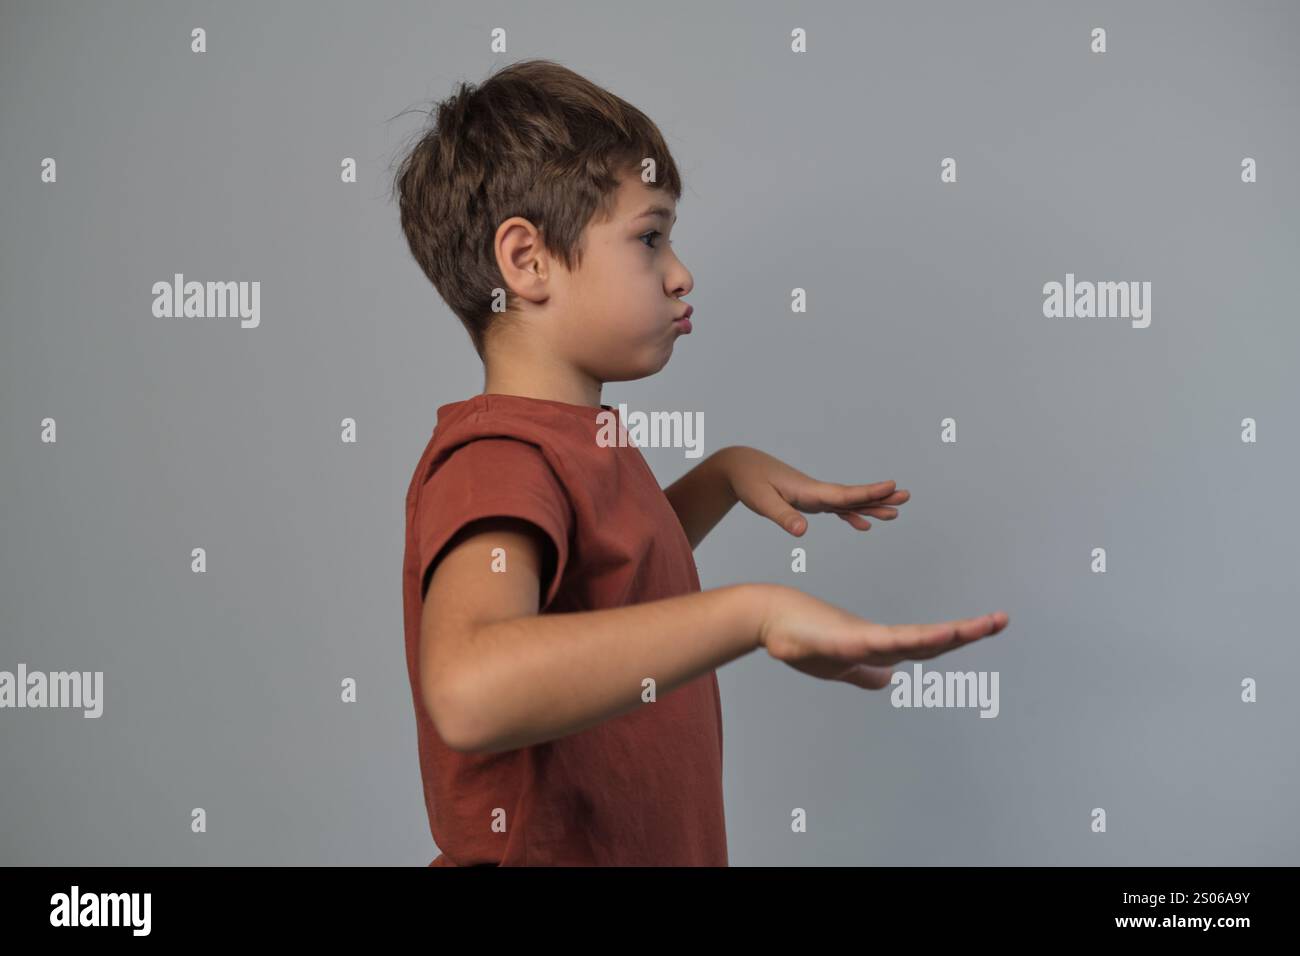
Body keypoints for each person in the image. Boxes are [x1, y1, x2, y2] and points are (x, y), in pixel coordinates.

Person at [393, 59, 1009, 866]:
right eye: (649, 237)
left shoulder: (574, 445)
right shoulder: (499, 459)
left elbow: (600, 588)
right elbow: (470, 690)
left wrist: (721, 476)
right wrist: (751, 614)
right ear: (528, 261)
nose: (681, 274)